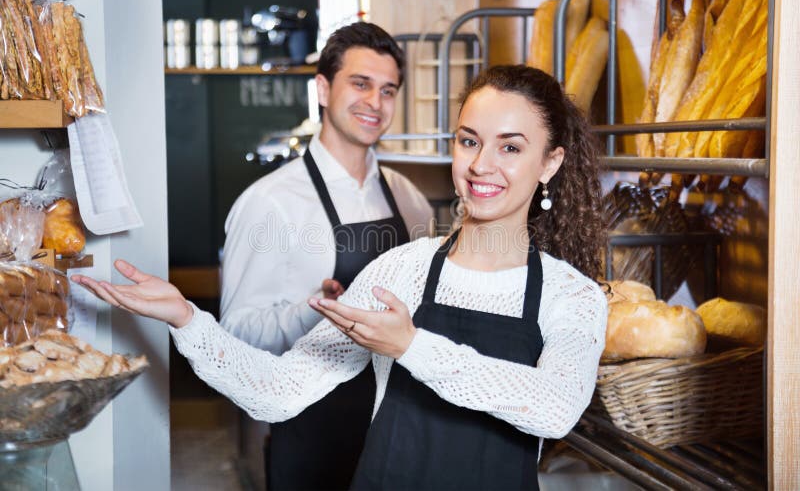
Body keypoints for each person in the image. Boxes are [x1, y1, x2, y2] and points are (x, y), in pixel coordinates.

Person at [73, 65, 608, 491]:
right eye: (469, 141)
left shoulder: (571, 295)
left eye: (510, 148)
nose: (481, 165)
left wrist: (410, 345)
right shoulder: (401, 269)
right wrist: (187, 319)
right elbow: (279, 392)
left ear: (550, 163)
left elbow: (554, 409)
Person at [218, 22, 433, 490]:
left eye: (388, 90)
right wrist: (310, 313)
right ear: (322, 88)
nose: (374, 103)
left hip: (396, 429)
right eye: (360, 84)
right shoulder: (269, 203)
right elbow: (234, 335)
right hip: (312, 433)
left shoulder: (409, 198)